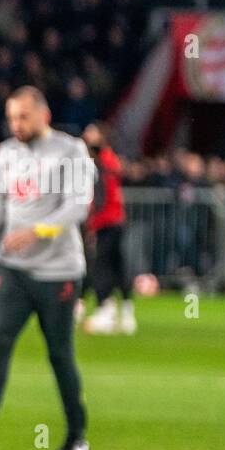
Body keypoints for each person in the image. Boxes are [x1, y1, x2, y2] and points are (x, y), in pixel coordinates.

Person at [0, 87, 93, 450]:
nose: (16, 124)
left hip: (58, 271)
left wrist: (37, 230)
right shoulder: (6, 154)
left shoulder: (71, 151)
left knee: (59, 354)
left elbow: (78, 208)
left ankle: (76, 435)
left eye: (23, 116)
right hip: (14, 269)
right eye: (11, 117)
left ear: (44, 115)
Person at [80, 122, 135, 335]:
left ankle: (106, 308)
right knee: (117, 264)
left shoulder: (102, 162)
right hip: (115, 219)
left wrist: (91, 217)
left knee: (101, 265)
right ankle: (126, 312)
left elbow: (100, 195)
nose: (87, 134)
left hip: (107, 221)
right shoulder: (109, 160)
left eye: (91, 132)